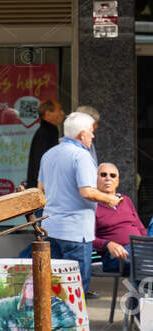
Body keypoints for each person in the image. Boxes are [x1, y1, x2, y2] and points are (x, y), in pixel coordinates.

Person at [38, 111, 122, 295]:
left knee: (53, 287)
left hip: (50, 228)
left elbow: (41, 189)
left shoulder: (49, 154)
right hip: (75, 232)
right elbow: (87, 191)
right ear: (82, 134)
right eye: (91, 132)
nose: (92, 136)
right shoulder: (81, 156)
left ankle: (54, 323)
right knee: (76, 288)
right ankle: (73, 323)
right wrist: (110, 199)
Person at [91, 161, 145, 274]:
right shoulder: (92, 205)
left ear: (118, 181)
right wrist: (108, 244)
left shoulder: (126, 200)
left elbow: (140, 228)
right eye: (103, 175)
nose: (108, 178)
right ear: (95, 179)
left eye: (112, 175)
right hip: (115, 256)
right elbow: (88, 238)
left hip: (140, 248)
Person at [25, 98, 62, 190]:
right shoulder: (46, 133)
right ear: (48, 113)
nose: (62, 113)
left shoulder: (47, 131)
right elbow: (40, 161)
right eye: (59, 110)